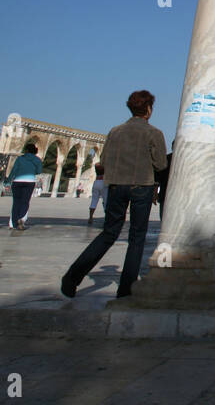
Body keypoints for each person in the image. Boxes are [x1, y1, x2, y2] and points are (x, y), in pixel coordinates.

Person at [61, 90, 167, 299]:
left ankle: (72, 277)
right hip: (141, 187)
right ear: (148, 110)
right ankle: (126, 289)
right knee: (137, 238)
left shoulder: (115, 132)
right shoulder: (153, 133)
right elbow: (161, 164)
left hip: (116, 186)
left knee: (109, 233)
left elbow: (105, 161)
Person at [5, 142, 41, 231]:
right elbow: (39, 171)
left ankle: (13, 224)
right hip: (30, 182)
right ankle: (21, 219)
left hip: (17, 181)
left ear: (26, 150)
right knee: (25, 201)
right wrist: (32, 171)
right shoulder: (37, 160)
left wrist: (7, 182)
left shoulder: (20, 159)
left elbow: (14, 170)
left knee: (16, 202)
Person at [88, 162, 106, 227]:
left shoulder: (97, 165)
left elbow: (97, 165)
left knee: (94, 201)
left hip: (96, 182)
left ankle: (90, 217)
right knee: (106, 201)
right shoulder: (104, 165)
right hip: (103, 182)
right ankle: (107, 218)